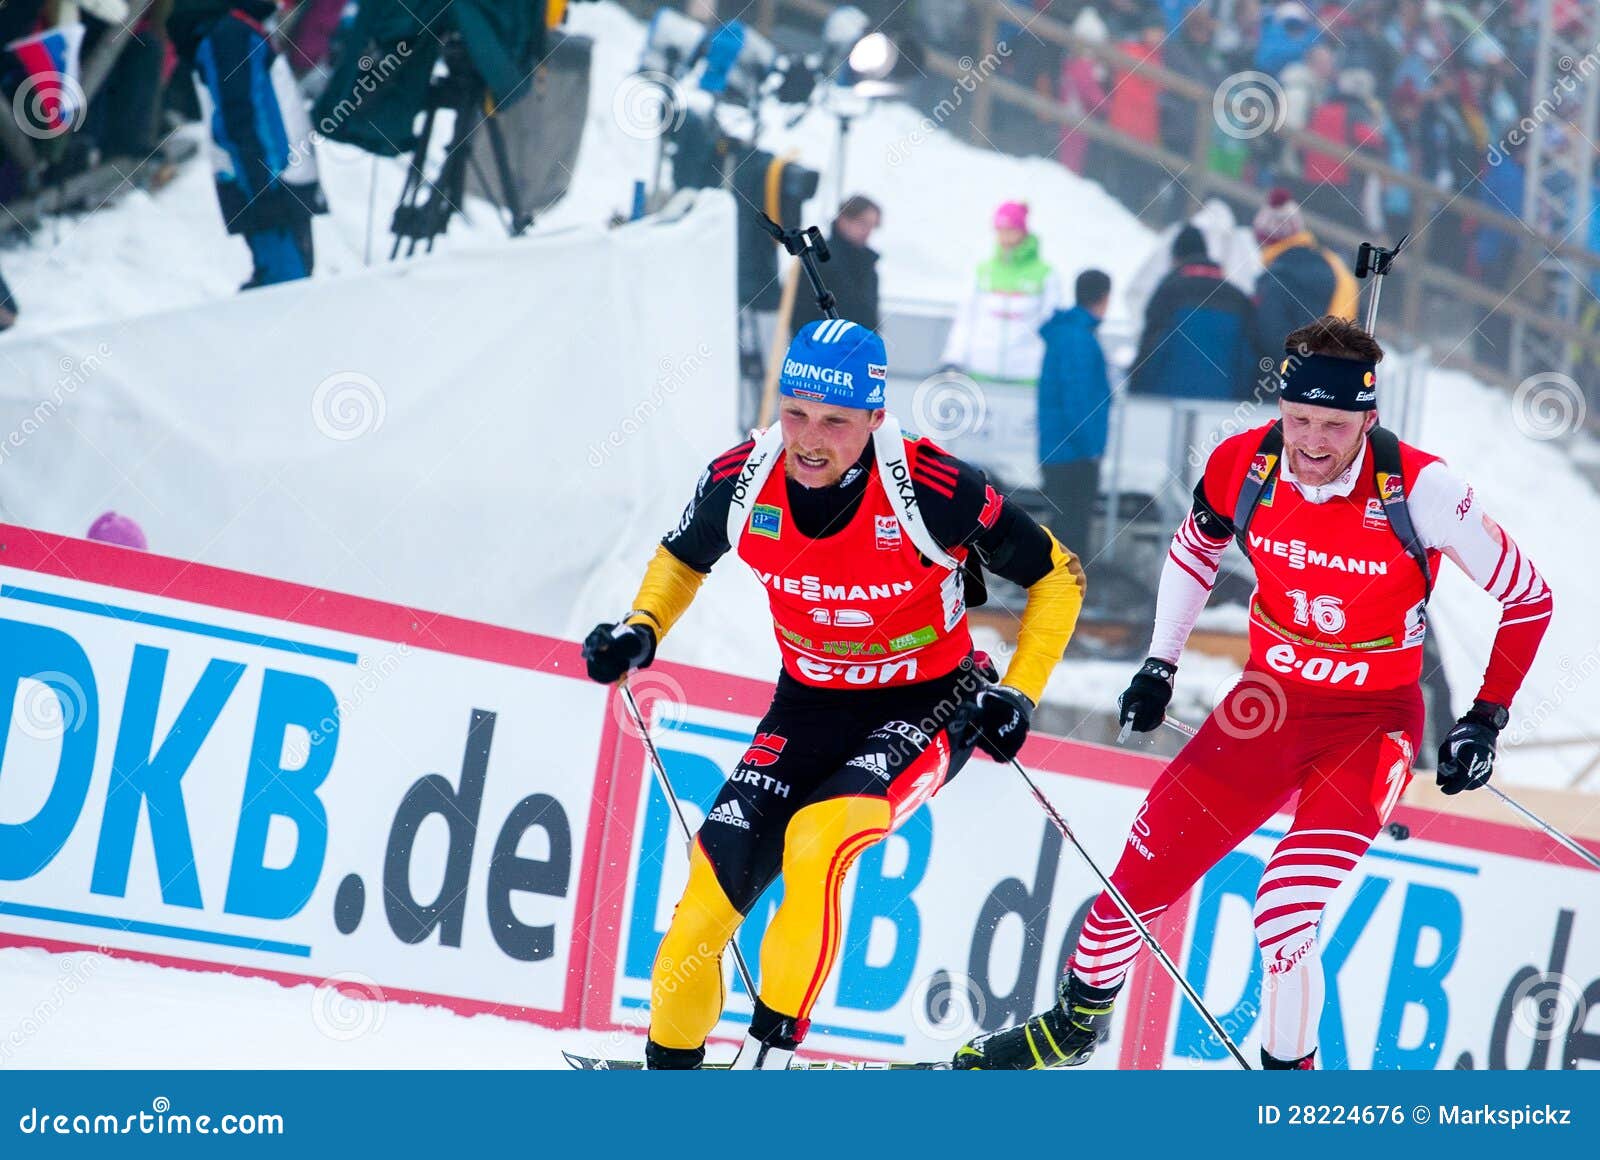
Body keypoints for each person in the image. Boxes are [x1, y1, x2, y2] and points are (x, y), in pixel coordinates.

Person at [956, 314, 1553, 1070]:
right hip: (1264, 706)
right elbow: (1192, 549)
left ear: (1368, 421)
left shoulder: (1422, 489)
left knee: (1285, 911)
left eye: (1333, 427)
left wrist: (1486, 718)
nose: (1311, 441)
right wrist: (1159, 664)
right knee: (1137, 876)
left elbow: (1530, 596)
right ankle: (1073, 1029)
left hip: (1369, 725)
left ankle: (1285, 1095)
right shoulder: (1245, 463)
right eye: (1298, 418)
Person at [583, 318, 1086, 1069]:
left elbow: (1058, 574)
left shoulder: (933, 488)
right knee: (702, 906)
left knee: (820, 840)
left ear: (877, 418)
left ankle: (769, 1065)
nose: (809, 440)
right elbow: (681, 559)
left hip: (930, 704)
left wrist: (1019, 692)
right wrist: (641, 628)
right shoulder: (740, 479)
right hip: (807, 705)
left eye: (836, 421)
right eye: (795, 413)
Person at [163, 0, 327, 289]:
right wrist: (262, 188)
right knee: (286, 286)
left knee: (290, 280)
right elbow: (239, 116)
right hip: (269, 185)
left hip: (278, 180)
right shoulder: (229, 33)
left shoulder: (240, 27)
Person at [1129, 226, 1259, 401]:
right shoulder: (1239, 299)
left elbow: (1149, 352)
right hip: (1223, 413)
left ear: (1175, 258)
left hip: (1166, 410)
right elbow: (1248, 361)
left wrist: (1135, 391)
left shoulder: (1168, 292)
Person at [941, 201, 1062, 385]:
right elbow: (966, 318)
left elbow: (1053, 326)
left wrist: (1054, 368)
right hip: (981, 371)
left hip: (1028, 375)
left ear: (1023, 231)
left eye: (1010, 230)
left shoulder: (1045, 274)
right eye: (1000, 231)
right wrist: (953, 358)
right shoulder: (982, 271)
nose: (1004, 237)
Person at [1037, 269, 1111, 565]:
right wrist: (1091, 446)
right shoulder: (1079, 339)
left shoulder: (1068, 334)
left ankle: (1056, 594)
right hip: (1073, 452)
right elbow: (1079, 399)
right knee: (1072, 529)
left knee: (1063, 526)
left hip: (1060, 448)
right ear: (1104, 297)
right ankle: (1062, 597)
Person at [1252, 188, 1358, 352]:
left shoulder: (1274, 279)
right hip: (1335, 366)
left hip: (1288, 373)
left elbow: (1270, 340)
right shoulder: (1336, 267)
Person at [791, 196, 881, 335]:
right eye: (862, 223)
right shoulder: (817, 259)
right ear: (843, 220)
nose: (867, 231)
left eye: (872, 226)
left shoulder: (868, 265)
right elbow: (800, 314)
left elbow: (871, 318)